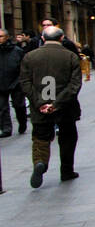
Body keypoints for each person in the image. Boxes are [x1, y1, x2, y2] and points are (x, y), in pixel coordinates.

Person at [18, 26, 83, 186]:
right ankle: (67, 171)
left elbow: (25, 82)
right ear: (62, 38)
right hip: (65, 107)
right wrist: (56, 104)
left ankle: (40, 162)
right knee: (68, 136)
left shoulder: (29, 57)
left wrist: (40, 103)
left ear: (43, 38)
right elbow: (74, 85)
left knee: (40, 137)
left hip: (39, 107)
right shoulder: (71, 57)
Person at [0, 28, 27, 138]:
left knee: (18, 105)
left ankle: (22, 122)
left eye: (1, 36)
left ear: (6, 37)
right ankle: (6, 129)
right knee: (2, 107)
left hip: (16, 82)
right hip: (1, 83)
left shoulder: (17, 51)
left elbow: (24, 67)